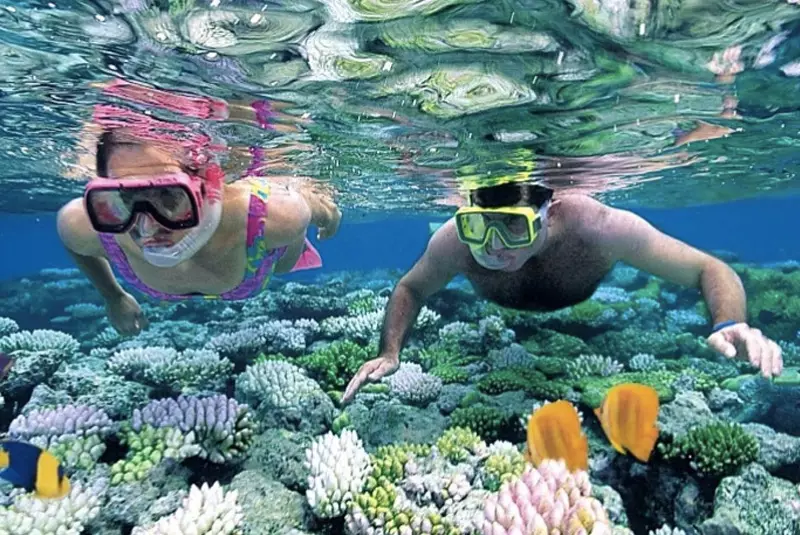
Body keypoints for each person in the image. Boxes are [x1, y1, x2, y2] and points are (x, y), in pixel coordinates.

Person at [342, 181, 783, 403]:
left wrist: (730, 322)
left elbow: (710, 267)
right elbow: (412, 287)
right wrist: (390, 351)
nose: (494, 246)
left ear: (547, 215)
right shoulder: (454, 243)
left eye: (515, 225)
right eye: (479, 227)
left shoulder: (599, 228)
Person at [57, 80, 341, 336]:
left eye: (168, 196)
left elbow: (316, 209)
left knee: (286, 248)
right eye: (122, 199)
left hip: (262, 253)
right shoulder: (84, 223)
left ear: (208, 189)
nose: (147, 227)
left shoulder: (275, 217)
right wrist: (113, 296)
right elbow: (74, 244)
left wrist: (328, 215)